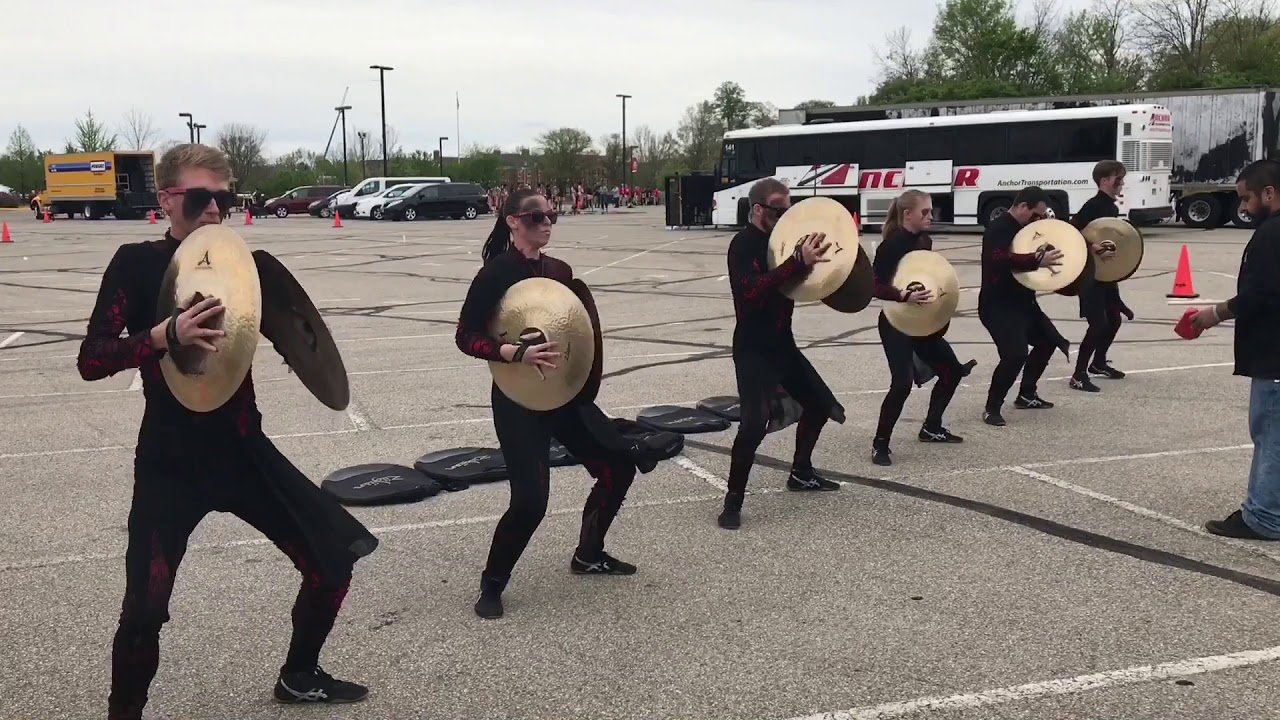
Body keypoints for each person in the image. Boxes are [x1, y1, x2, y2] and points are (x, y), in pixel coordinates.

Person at [78, 144, 376, 720]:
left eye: (225, 199)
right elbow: (92, 358)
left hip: (243, 452)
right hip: (170, 460)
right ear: (167, 201)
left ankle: (299, 675)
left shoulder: (245, 269)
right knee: (144, 609)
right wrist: (163, 335)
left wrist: (295, 349)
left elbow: (297, 337)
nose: (214, 211)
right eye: (199, 199)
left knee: (332, 561)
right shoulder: (137, 264)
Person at [455, 188, 655, 620]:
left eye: (551, 215)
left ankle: (588, 554)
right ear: (512, 221)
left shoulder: (560, 271)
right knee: (530, 501)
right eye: (536, 216)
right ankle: (492, 583)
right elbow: (465, 337)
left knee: (616, 467)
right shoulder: (494, 275)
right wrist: (510, 353)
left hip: (563, 394)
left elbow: (575, 329)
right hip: (518, 399)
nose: (546, 222)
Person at [718, 178, 845, 530]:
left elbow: (803, 279)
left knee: (820, 404)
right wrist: (796, 262)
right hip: (752, 348)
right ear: (758, 209)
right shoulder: (742, 244)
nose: (787, 214)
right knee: (754, 423)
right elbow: (752, 292)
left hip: (782, 344)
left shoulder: (784, 239)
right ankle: (733, 499)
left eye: (790, 207)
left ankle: (801, 472)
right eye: (779, 208)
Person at [1195, 159, 1280, 541]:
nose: (1242, 208)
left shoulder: (1272, 234)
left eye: (1246, 198)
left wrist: (1216, 313)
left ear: (1269, 193)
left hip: (1274, 355)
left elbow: (1261, 294)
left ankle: (1264, 516)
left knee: (1271, 434)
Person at [870, 190, 971, 466]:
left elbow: (928, 273)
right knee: (901, 383)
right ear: (908, 214)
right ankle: (880, 443)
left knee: (952, 371)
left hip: (922, 320)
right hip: (895, 323)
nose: (930, 216)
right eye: (925, 212)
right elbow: (875, 286)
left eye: (930, 211)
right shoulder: (890, 246)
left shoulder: (925, 241)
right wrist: (902, 296)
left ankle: (931, 427)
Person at [978, 186, 1070, 427]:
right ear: (1021, 207)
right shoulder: (999, 228)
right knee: (1015, 354)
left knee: (1049, 341)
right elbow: (997, 259)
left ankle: (1027, 394)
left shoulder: (1030, 231)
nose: (1038, 220)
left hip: (1023, 303)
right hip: (997, 305)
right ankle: (992, 407)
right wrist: (1035, 259)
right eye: (1035, 215)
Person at [1068, 160, 1135, 393]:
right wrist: (1092, 245)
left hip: (1107, 276)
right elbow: (1071, 231)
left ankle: (1098, 363)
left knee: (1114, 320)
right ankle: (1078, 374)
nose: (1122, 183)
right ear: (1104, 180)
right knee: (1098, 325)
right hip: (1090, 277)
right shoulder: (1094, 206)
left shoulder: (1112, 208)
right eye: (1118, 178)